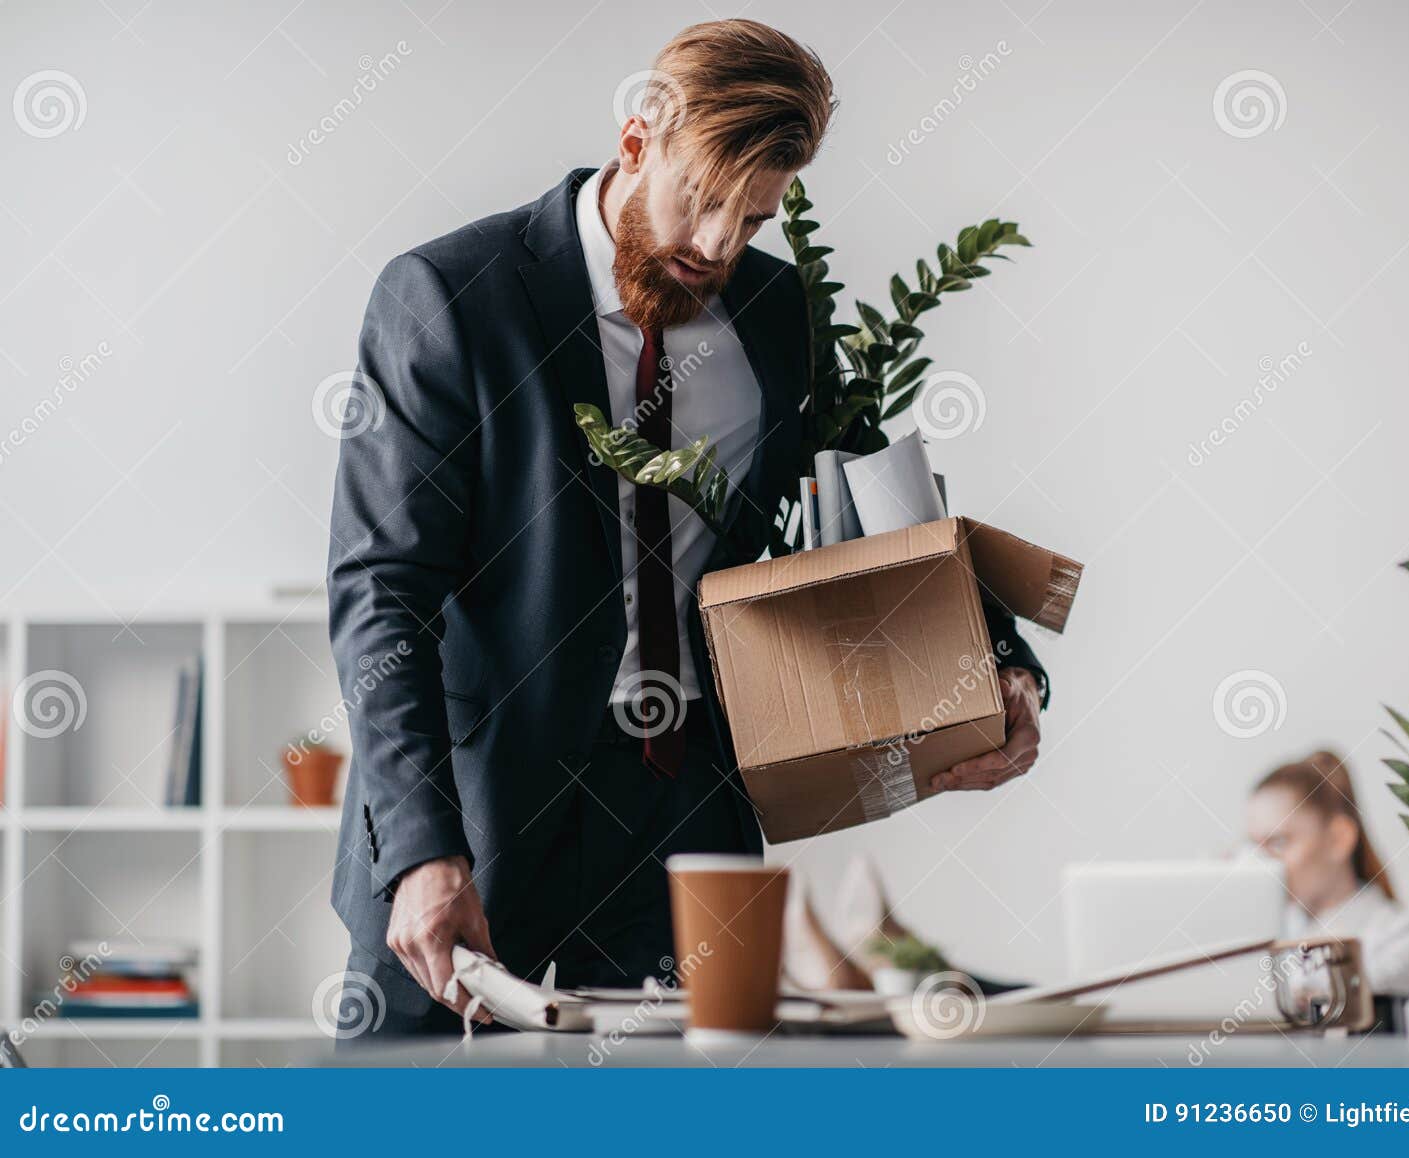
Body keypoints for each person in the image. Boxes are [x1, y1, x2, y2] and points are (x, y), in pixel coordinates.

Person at [325, 19, 1052, 1040]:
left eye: (751, 219)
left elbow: (880, 503)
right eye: (701, 200)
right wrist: (417, 851)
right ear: (635, 142)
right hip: (472, 834)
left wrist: (1001, 667)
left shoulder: (772, 313)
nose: (715, 246)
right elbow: (381, 591)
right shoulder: (452, 298)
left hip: (680, 831)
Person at [1245, 750, 1409, 993]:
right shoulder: (1271, 933)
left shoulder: (1405, 935)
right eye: (1254, 846)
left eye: (1279, 843)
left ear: (1338, 839)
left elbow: (1334, 992)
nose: (1262, 863)